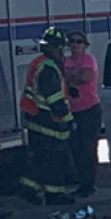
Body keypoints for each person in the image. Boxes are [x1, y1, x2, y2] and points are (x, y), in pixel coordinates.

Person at [18, 27, 78, 206]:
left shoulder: (41, 63)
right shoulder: (49, 68)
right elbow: (55, 100)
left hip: (36, 119)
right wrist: (69, 121)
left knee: (40, 159)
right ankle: (55, 195)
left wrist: (68, 89)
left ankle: (28, 189)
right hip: (48, 122)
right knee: (53, 161)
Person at [65, 31, 102, 200]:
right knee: (75, 149)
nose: (75, 44)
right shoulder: (66, 61)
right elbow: (61, 78)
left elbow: (85, 77)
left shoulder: (88, 60)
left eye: (79, 41)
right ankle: (81, 183)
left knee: (88, 148)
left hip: (89, 110)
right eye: (72, 41)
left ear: (85, 44)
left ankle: (89, 185)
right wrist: (72, 77)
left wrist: (68, 77)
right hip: (72, 112)